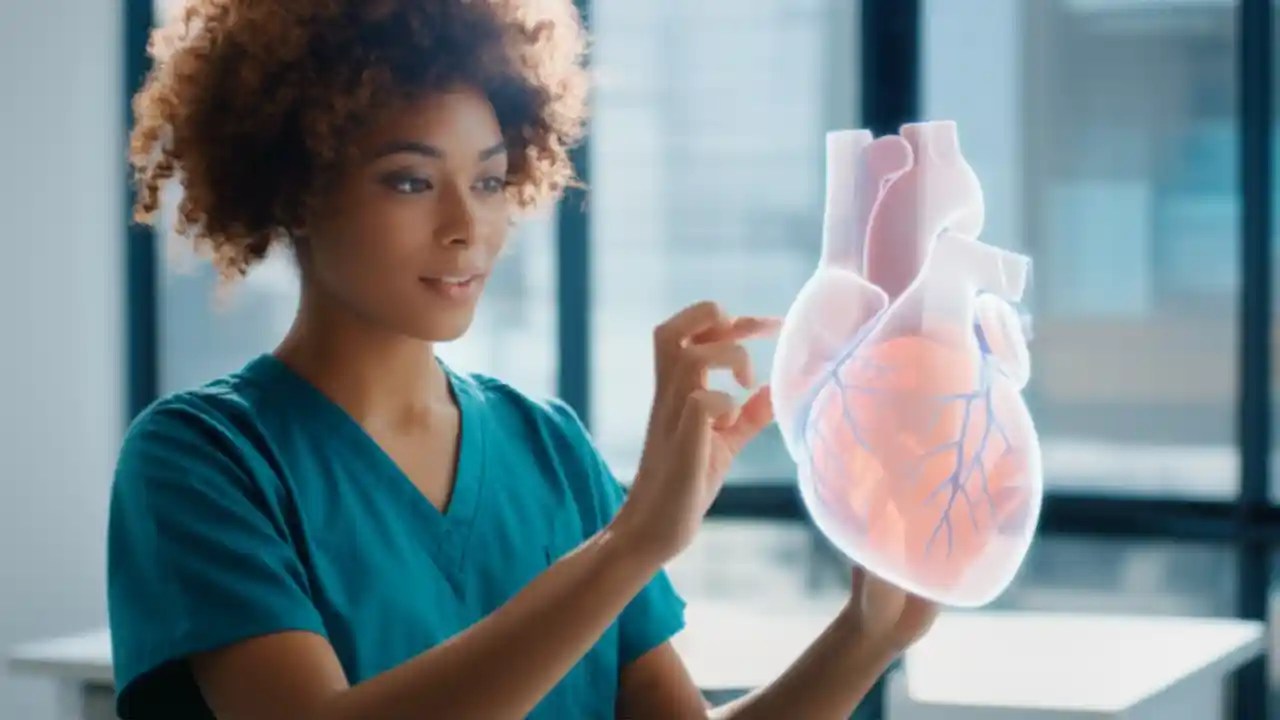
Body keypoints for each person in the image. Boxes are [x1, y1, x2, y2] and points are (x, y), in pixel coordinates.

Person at [106, 1, 940, 718]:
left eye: (493, 180)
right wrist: (627, 546)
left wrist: (867, 635)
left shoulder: (548, 448)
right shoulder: (200, 458)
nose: (467, 225)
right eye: (409, 181)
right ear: (293, 188)